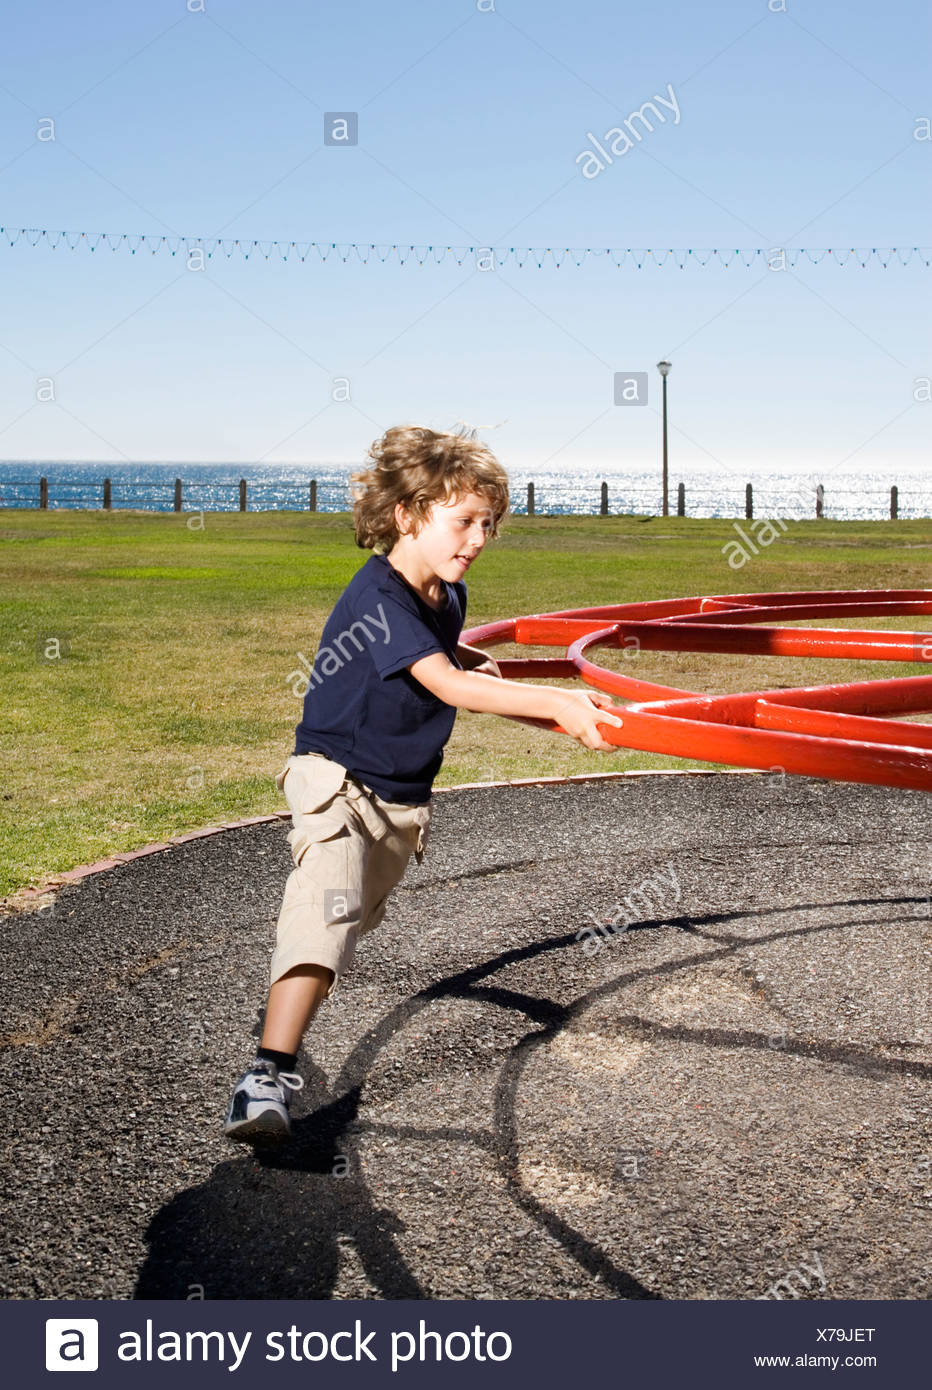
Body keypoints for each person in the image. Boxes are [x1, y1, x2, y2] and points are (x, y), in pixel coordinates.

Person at [223, 424, 624, 1143]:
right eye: (463, 521)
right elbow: (440, 679)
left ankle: (284, 1017)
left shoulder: (444, 594)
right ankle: (264, 1074)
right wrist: (556, 700)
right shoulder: (377, 594)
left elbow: (444, 655)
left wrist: (477, 660)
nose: (478, 538)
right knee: (324, 914)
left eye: (488, 524)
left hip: (399, 799)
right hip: (337, 781)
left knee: (342, 931)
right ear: (407, 515)